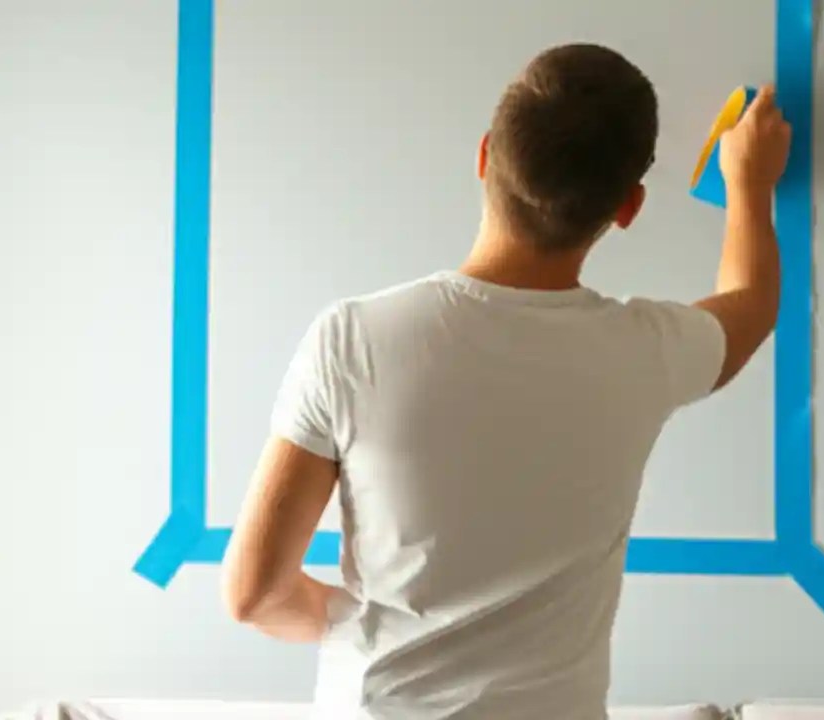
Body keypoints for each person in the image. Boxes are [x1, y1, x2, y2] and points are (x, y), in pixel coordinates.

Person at [221, 43, 791, 720]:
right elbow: (751, 305)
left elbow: (254, 595)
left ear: (486, 156)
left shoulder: (351, 340)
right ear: (629, 208)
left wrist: (364, 631)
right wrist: (749, 186)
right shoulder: (645, 353)